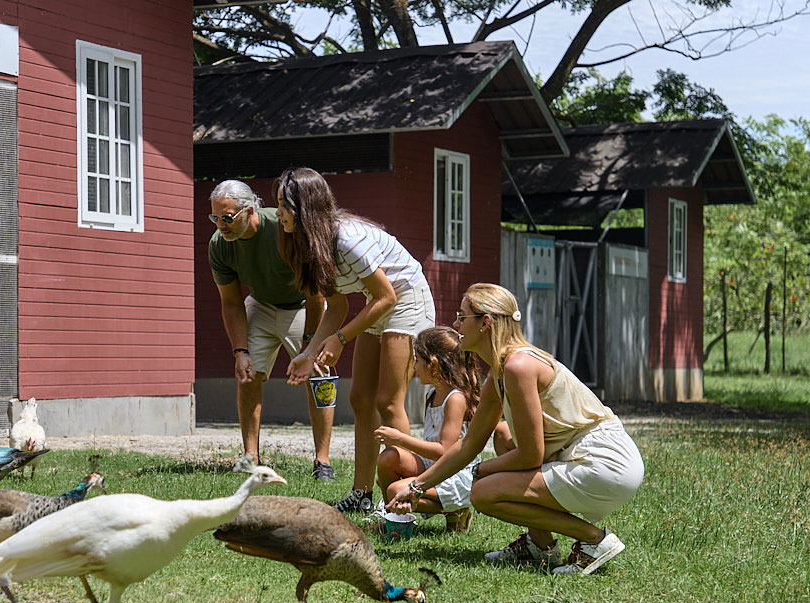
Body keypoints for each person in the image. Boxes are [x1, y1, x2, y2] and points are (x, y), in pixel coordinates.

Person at [388, 283, 644, 575]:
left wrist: (478, 472)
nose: (457, 325)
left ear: (485, 323)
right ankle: (540, 545)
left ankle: (594, 541)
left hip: (605, 464)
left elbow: (530, 456)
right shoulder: (501, 372)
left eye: (462, 317)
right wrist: (417, 485)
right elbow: (469, 444)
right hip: (594, 458)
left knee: (483, 493)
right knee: (503, 435)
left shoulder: (518, 366)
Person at [275, 167, 435, 514]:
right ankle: (362, 494)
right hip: (377, 302)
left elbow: (388, 296)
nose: (278, 213)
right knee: (361, 398)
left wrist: (341, 339)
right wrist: (308, 352)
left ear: (306, 207)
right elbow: (337, 305)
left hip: (406, 299)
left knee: (389, 402)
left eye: (283, 205)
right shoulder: (309, 243)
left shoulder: (345, 239)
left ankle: (407, 495)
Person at [207, 180, 336, 480]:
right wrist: (240, 351)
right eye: (215, 218)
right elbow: (231, 302)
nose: (220, 226)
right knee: (248, 373)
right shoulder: (219, 245)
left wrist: (309, 345)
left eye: (227, 218)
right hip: (262, 304)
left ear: (249, 210)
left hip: (304, 304)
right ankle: (250, 457)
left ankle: (323, 461)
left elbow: (316, 292)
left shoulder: (281, 229)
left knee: (319, 373)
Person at [372, 326, 481, 532]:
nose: (414, 366)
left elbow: (445, 452)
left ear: (433, 364)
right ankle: (396, 519)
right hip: (434, 466)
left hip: (456, 473)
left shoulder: (455, 399)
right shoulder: (431, 394)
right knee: (389, 457)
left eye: (417, 360)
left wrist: (400, 439)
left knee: (395, 488)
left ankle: (457, 511)